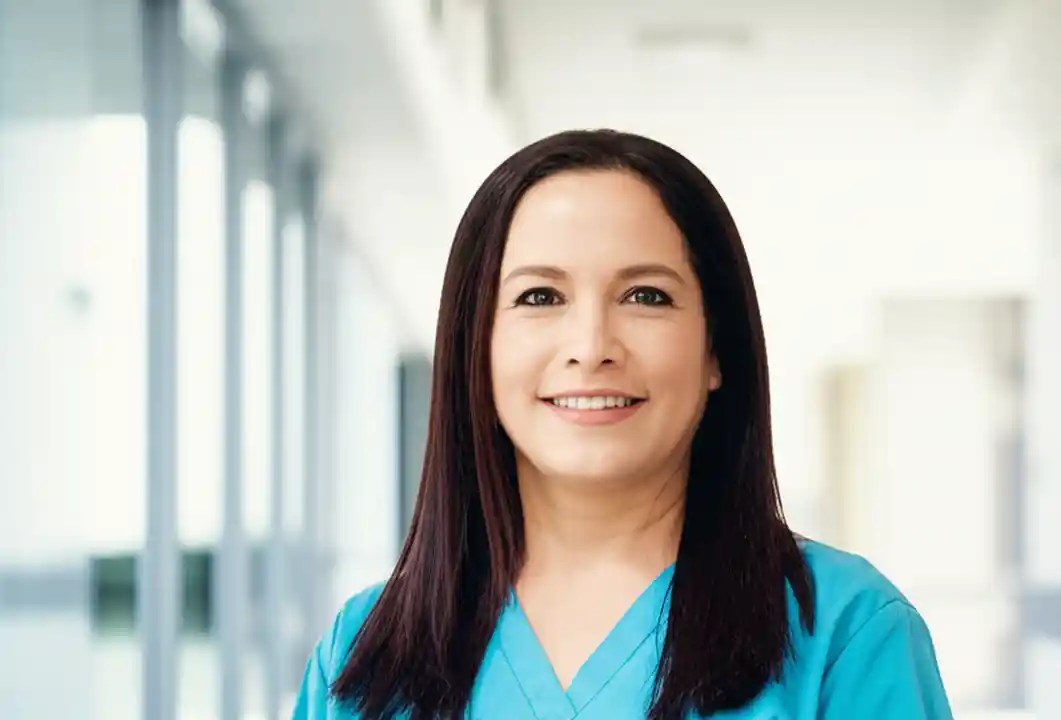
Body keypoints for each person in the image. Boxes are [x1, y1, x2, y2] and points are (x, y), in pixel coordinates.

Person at [291, 129, 953, 719]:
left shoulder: (846, 632)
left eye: (646, 296)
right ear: (477, 347)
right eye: (539, 296)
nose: (591, 344)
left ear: (716, 348)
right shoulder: (363, 654)